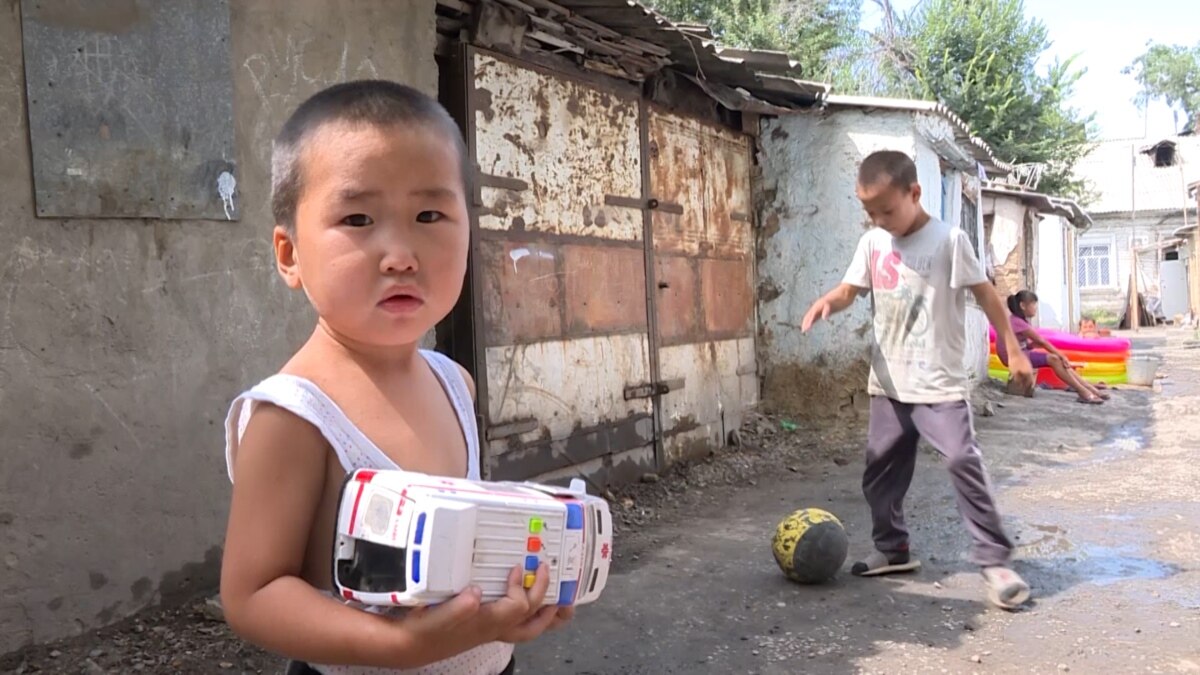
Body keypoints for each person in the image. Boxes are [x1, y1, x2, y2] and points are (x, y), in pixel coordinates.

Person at [218, 81, 572, 675]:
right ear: (290, 255)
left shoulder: (455, 382)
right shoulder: (294, 416)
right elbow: (253, 596)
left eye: (430, 214)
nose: (401, 253)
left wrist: (519, 596)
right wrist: (406, 648)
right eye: (358, 218)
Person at [800, 150, 1035, 611]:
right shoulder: (873, 244)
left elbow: (987, 296)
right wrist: (829, 301)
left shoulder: (948, 240)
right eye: (870, 212)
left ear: (915, 193)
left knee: (961, 460)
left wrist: (1012, 348)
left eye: (887, 210)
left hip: (938, 385)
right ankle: (893, 548)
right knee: (879, 474)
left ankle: (995, 561)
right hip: (888, 383)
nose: (879, 220)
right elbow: (851, 290)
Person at [1000, 290, 1109, 404]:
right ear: (1023, 305)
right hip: (1013, 357)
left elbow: (1025, 343)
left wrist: (1031, 345)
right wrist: (1061, 355)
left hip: (1020, 353)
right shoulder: (1017, 322)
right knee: (1055, 359)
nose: (1036, 308)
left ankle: (1089, 388)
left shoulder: (1019, 321)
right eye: (1033, 305)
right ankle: (1083, 392)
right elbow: (1041, 341)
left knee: (1059, 360)